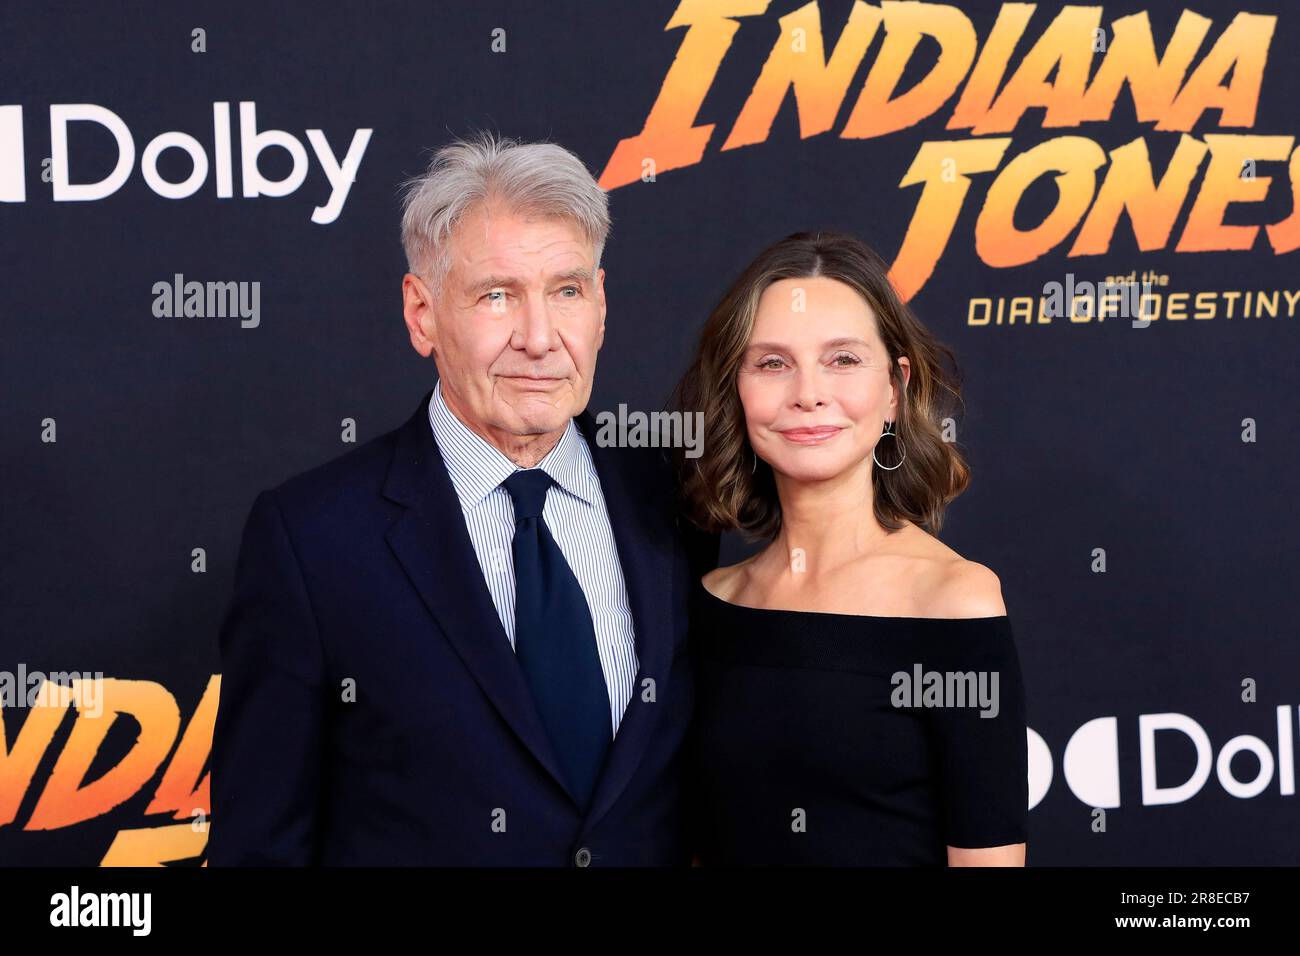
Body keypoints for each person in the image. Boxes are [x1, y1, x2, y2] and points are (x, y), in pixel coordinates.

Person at [208, 132, 718, 865]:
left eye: (566, 291)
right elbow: (260, 848)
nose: (540, 339)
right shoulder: (312, 542)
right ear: (422, 314)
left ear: (601, 305)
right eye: (496, 296)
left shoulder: (676, 497)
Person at [674, 230, 1028, 866]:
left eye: (842, 359)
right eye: (773, 362)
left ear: (894, 388)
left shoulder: (952, 602)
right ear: (736, 389)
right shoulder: (712, 602)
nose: (808, 393)